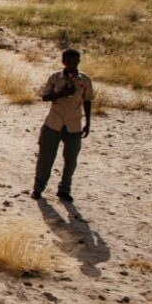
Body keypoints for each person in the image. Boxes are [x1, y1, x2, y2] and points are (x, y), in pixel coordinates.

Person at [32, 48, 93, 203]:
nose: (72, 65)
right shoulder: (55, 77)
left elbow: (87, 101)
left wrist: (88, 123)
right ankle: (38, 188)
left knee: (71, 160)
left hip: (74, 125)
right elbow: (45, 97)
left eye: (75, 62)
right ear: (63, 62)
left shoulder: (85, 80)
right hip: (53, 123)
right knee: (46, 158)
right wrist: (62, 93)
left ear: (78, 62)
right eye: (68, 62)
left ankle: (64, 190)